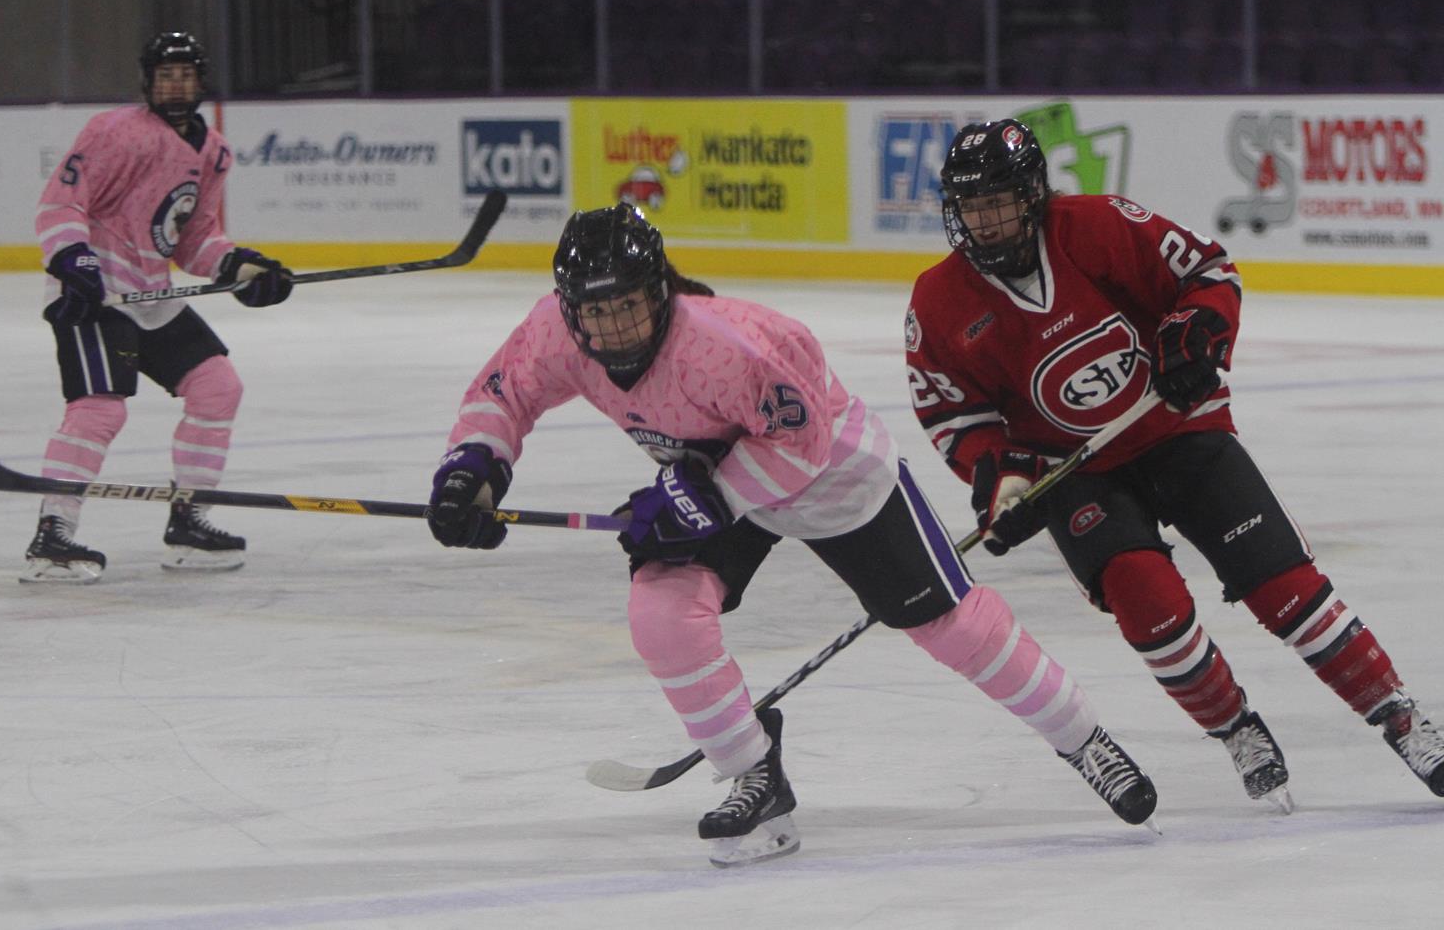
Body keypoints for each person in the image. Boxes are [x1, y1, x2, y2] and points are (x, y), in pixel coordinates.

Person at [426, 202, 1159, 868]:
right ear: (569, 310)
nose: (613, 327)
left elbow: (799, 441)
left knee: (952, 626)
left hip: (834, 478)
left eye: (629, 305)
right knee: (659, 612)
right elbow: (506, 390)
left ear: (661, 289)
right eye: (596, 312)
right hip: (710, 477)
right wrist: (473, 471)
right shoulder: (559, 333)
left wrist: (705, 498)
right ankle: (755, 774)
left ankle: (1083, 738)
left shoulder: (731, 343)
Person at [904, 117, 1444, 811]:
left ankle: (1400, 716)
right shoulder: (939, 301)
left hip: (1178, 427)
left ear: (1033, 191)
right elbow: (956, 417)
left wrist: (1197, 335)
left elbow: (1208, 272)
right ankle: (1234, 727)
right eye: (971, 205)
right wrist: (1004, 479)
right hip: (1078, 468)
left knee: (1283, 583)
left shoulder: (1094, 227)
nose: (984, 219)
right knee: (1144, 600)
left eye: (998, 201)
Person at [22, 31, 294, 585]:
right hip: (97, 296)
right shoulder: (114, 132)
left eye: (185, 75)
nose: (175, 85)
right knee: (101, 408)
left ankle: (189, 520)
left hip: (152, 295)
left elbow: (194, 241)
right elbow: (60, 202)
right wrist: (74, 262)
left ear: (200, 83)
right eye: (165, 75)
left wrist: (244, 269)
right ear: (148, 81)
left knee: (218, 387)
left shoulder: (214, 151)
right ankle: (53, 534)